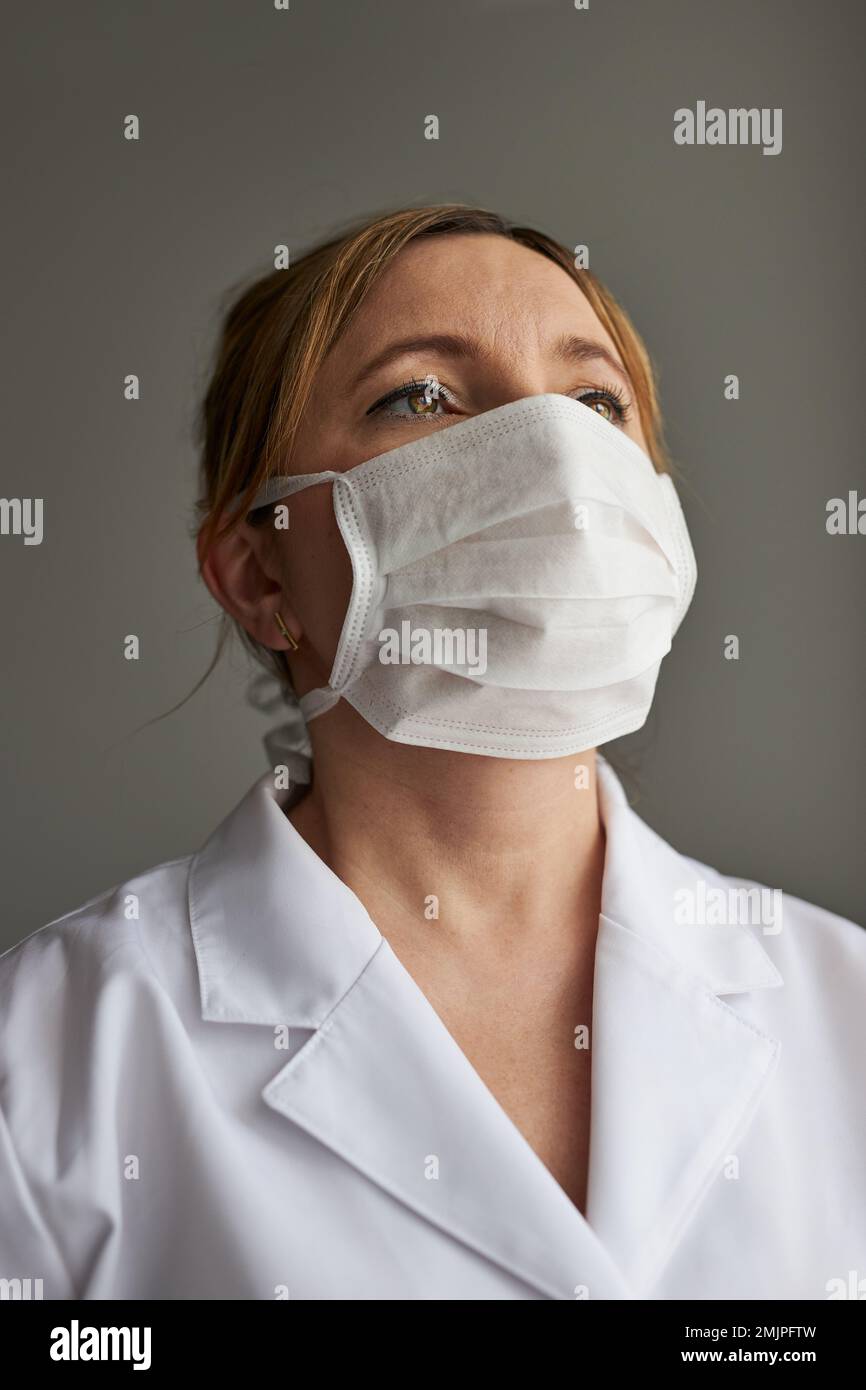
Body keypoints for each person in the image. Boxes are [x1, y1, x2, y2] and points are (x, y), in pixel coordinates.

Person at [1, 205, 863, 1301]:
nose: (553, 448)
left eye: (595, 401)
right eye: (420, 395)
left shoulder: (845, 1013)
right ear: (261, 577)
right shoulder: (49, 1064)